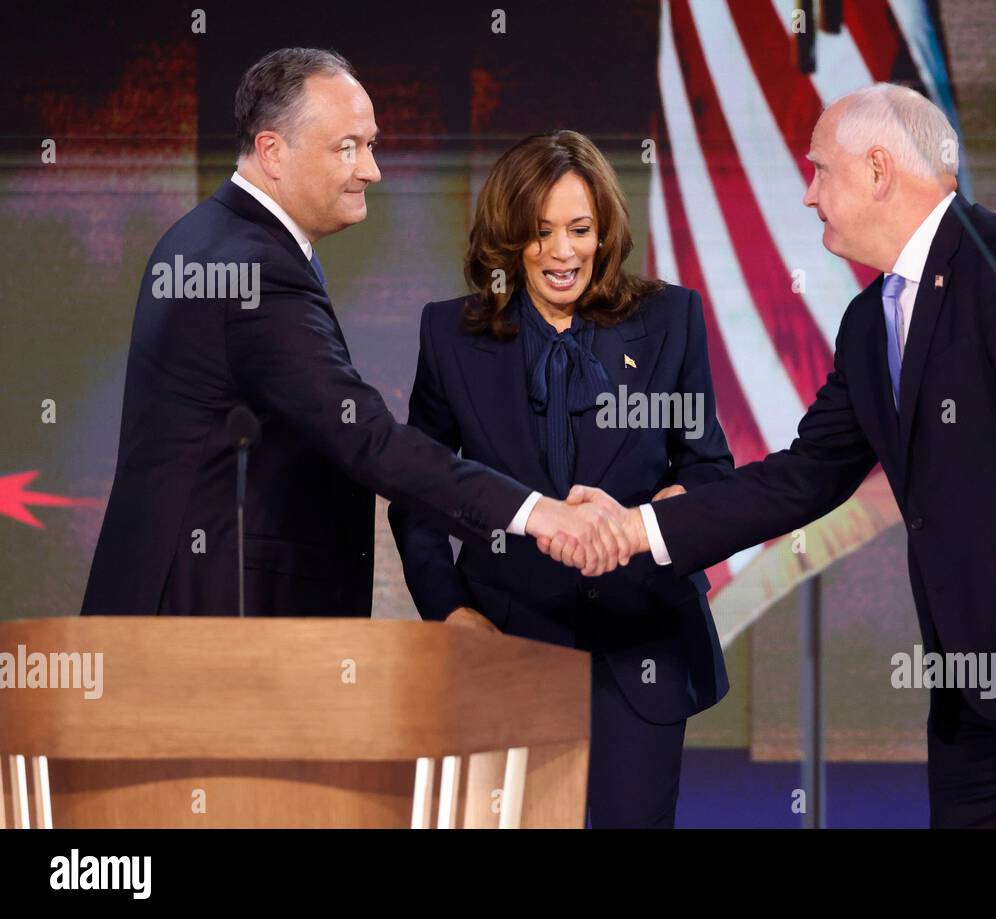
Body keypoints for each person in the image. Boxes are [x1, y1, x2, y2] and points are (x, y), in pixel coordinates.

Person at [568, 83, 996, 827]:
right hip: (976, 674)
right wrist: (640, 527)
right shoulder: (871, 323)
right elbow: (802, 477)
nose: (808, 196)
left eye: (819, 171)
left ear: (877, 169)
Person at [82, 48, 627, 619]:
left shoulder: (217, 240)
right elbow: (365, 439)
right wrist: (539, 513)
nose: (371, 170)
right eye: (347, 148)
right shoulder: (251, 267)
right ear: (272, 151)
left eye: (371, 145)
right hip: (215, 621)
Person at [389, 130, 733, 828]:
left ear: (604, 230)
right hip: (504, 644)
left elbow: (708, 471)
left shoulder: (670, 319)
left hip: (638, 648)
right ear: (507, 238)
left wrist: (658, 521)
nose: (562, 252)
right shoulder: (450, 336)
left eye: (579, 229)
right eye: (539, 232)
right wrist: (451, 613)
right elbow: (418, 490)